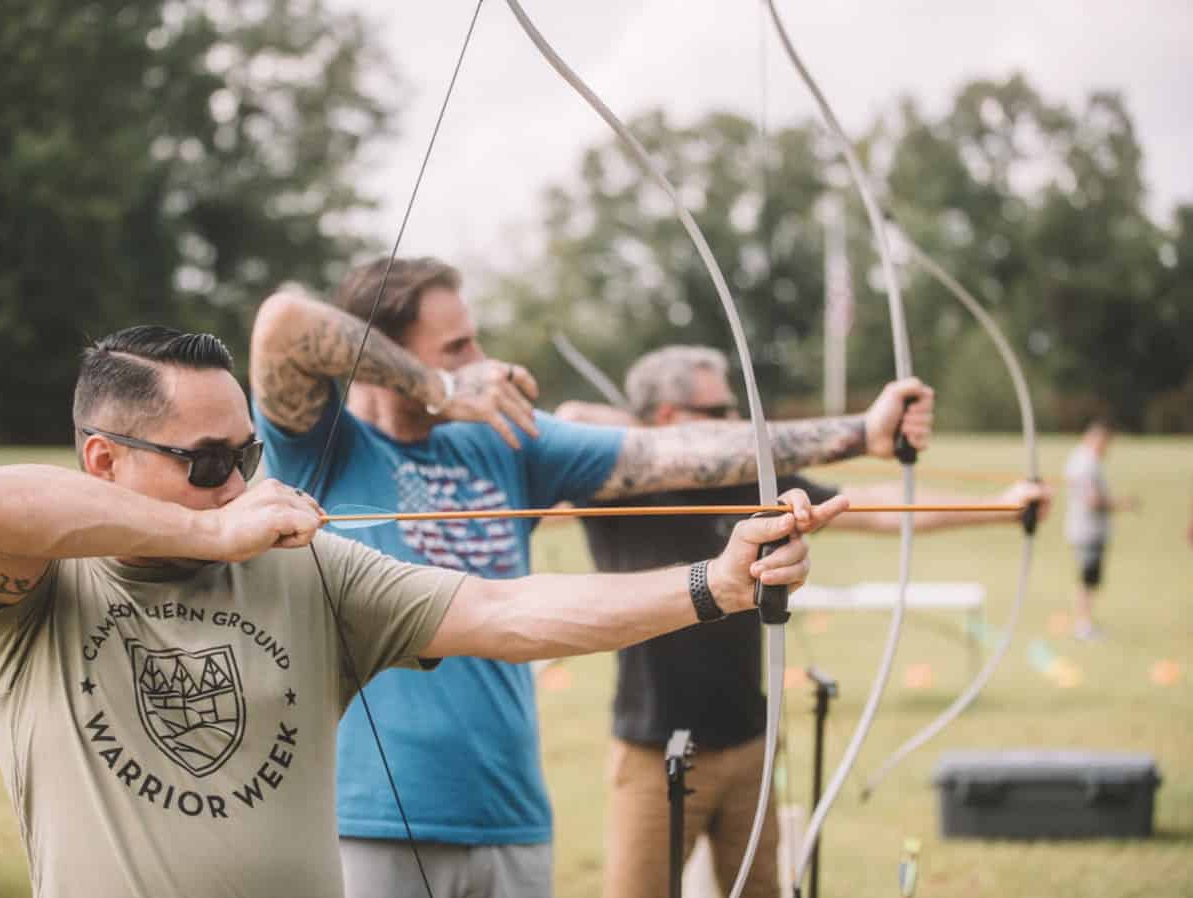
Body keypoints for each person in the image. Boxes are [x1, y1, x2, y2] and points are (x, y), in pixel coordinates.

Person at [0, 325, 836, 898]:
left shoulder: (307, 570)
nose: (239, 487)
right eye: (207, 464)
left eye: (247, 458)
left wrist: (715, 585)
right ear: (103, 461)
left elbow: (505, 610)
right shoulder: (42, 593)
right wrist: (209, 532)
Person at [248, 257, 933, 898]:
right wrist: (442, 389)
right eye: (456, 348)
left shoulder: (504, 438)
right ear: (380, 356)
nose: (481, 362)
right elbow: (284, 325)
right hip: (366, 819)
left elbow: (670, 450)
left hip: (511, 814)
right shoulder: (321, 447)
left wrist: (861, 433)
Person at [555, 344, 1051, 898]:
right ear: (666, 416)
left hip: (750, 742)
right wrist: (646, 435)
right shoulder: (614, 482)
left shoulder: (750, 478)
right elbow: (570, 417)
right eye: (719, 412)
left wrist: (1000, 506)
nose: (738, 422)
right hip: (655, 747)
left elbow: (873, 506)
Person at [1064, 418, 1138, 640]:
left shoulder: (1081, 459)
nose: (1107, 448)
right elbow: (1092, 500)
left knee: (1088, 579)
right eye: (1106, 442)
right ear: (1097, 438)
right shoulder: (1086, 462)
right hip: (1088, 530)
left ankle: (1084, 622)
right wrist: (1121, 505)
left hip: (1087, 529)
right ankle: (1083, 625)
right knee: (1087, 580)